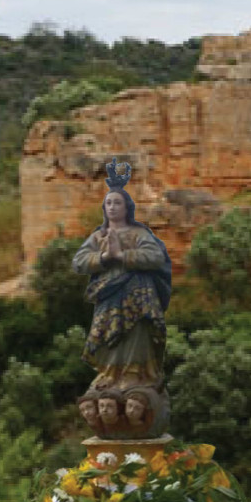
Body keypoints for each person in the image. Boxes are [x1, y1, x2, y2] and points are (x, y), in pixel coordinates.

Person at [72, 161, 172, 395]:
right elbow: (79, 262)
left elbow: (156, 257)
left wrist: (122, 255)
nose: (113, 207)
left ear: (127, 207)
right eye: (109, 203)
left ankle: (134, 375)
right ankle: (110, 373)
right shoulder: (98, 236)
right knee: (108, 332)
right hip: (108, 294)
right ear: (104, 208)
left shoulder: (139, 233)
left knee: (135, 333)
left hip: (138, 293)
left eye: (117, 202)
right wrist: (105, 256)